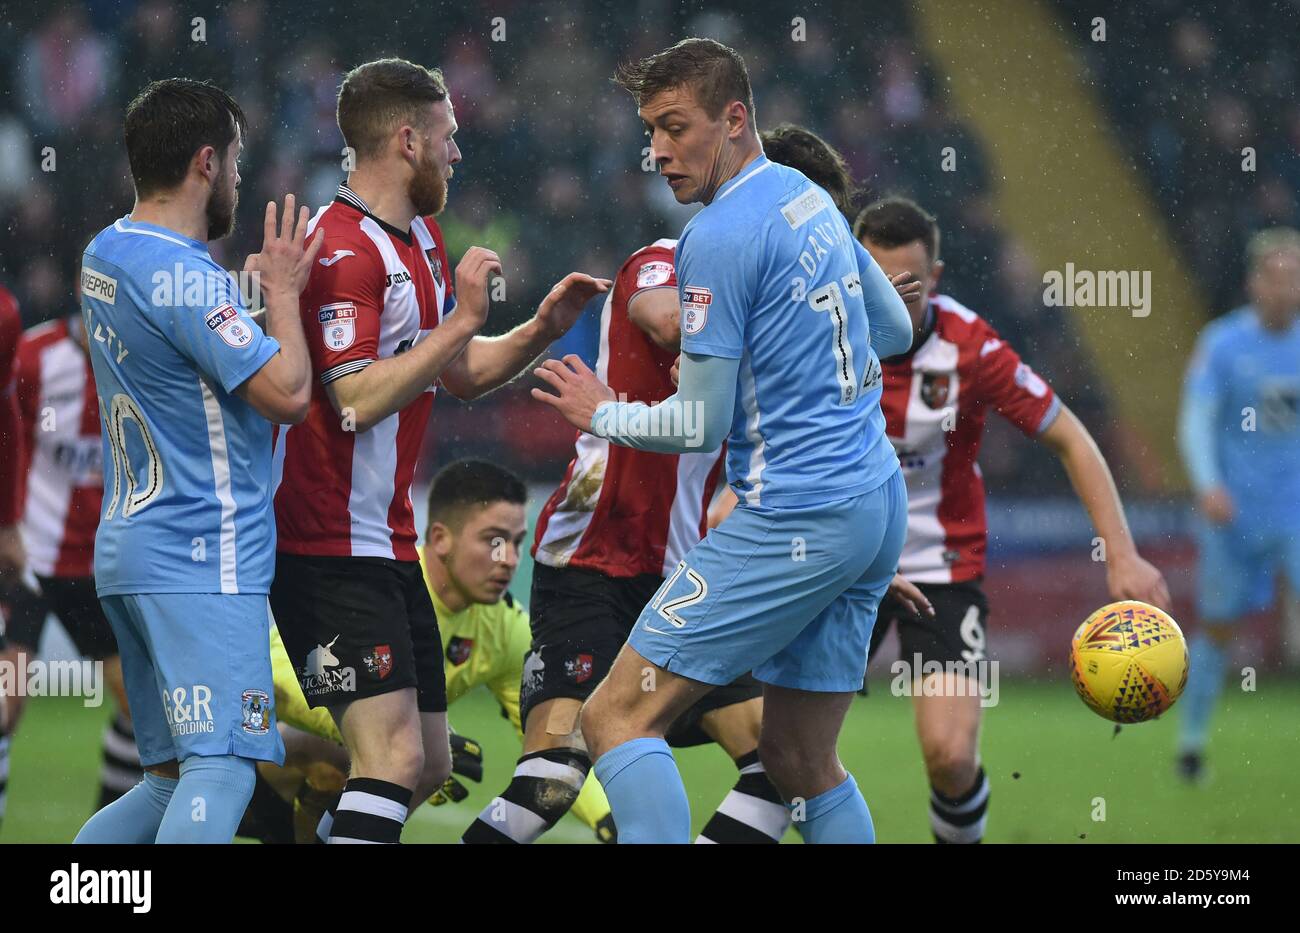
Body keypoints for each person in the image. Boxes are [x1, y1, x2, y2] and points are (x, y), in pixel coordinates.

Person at [533, 38, 913, 843]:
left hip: (794, 515)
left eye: (677, 127)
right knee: (801, 758)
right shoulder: (810, 196)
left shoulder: (718, 237)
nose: (659, 151)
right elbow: (895, 327)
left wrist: (603, 411)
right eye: (650, 131)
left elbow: (697, 423)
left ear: (735, 119)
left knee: (616, 718)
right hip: (876, 500)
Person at [269, 58, 608, 844]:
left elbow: (456, 373)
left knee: (422, 762)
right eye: (449, 137)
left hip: (384, 539)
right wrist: (459, 318)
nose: (458, 153)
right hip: (324, 541)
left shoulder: (421, 236)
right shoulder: (340, 250)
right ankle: (256, 780)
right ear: (407, 139)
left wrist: (537, 330)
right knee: (386, 759)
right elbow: (352, 399)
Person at [466, 237, 790, 846]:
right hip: (591, 558)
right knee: (553, 777)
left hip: (681, 576)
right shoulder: (669, 258)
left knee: (783, 769)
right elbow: (666, 321)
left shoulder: (766, 306)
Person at [74, 77, 320, 843]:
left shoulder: (104, 251)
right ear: (206, 163)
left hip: (131, 549)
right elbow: (287, 392)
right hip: (200, 553)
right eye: (239, 164)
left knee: (166, 782)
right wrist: (280, 293)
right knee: (222, 768)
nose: (241, 182)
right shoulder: (186, 274)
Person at [256, 459, 616, 843]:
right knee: (385, 754)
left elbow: (551, 739)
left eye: (516, 543)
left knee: (408, 759)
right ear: (441, 538)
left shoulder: (505, 628)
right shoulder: (380, 589)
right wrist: (410, 730)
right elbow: (277, 683)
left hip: (336, 789)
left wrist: (607, 816)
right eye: (493, 541)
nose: (509, 559)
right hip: (254, 757)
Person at [7, 287, 142, 812]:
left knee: (139, 707)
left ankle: (109, 836)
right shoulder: (33, 358)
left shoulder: (141, 366)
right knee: (8, 702)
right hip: (29, 565)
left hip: (98, 571)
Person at [1177, 227, 1300, 782]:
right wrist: (1208, 484)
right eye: (1277, 274)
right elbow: (1196, 420)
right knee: (1219, 626)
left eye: (1295, 274)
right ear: (1254, 282)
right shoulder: (1223, 343)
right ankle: (1192, 743)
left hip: (1295, 509)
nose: (1287, 285)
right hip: (1236, 512)